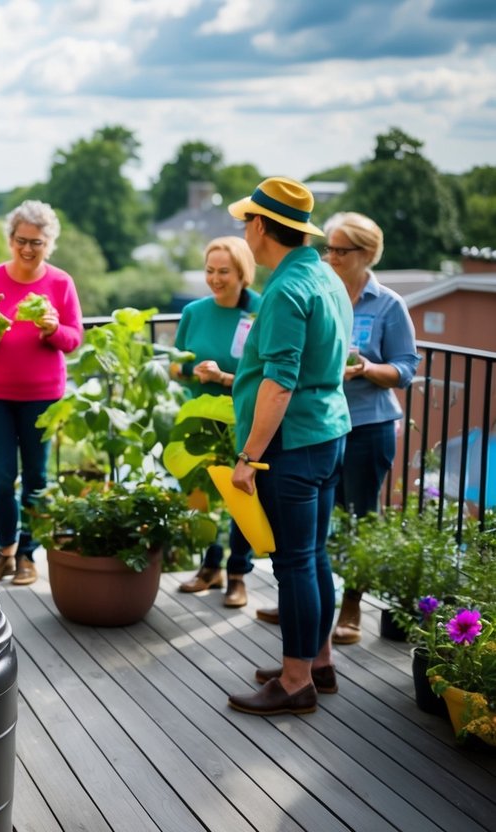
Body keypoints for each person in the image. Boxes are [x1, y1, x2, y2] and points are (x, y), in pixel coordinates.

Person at [255, 213, 420, 640]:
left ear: (367, 254)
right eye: (328, 247)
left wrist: (367, 368)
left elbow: (406, 369)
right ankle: (307, 611)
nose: (331, 256)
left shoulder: (387, 304)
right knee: (313, 536)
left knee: (360, 520)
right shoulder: (322, 288)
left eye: (341, 250)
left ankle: (351, 608)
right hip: (325, 426)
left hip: (367, 425)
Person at [226, 177, 353, 716]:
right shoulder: (325, 276)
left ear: (260, 226)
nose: (244, 232)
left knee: (294, 563)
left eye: (245, 223)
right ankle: (318, 662)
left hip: (292, 444)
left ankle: (296, 681)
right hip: (328, 432)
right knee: (312, 554)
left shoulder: (284, 290)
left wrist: (248, 457)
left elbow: (279, 383)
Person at [0, 201, 84, 586]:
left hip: (42, 395)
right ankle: (4, 552)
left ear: (49, 243)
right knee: (0, 476)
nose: (28, 249)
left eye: (36, 242)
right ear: (10, 239)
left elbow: (74, 339)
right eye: (21, 240)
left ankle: (28, 555)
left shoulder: (60, 283)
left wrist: (53, 330)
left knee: (36, 477)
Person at [173, 237, 260, 607]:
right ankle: (211, 567)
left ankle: (238, 573)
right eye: (210, 271)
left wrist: (224, 377)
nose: (215, 279)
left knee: (241, 495)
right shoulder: (194, 311)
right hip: (201, 418)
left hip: (245, 419)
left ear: (242, 273)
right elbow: (176, 366)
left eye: (224, 271)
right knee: (203, 496)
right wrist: (193, 371)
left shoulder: (260, 310)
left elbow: (265, 374)